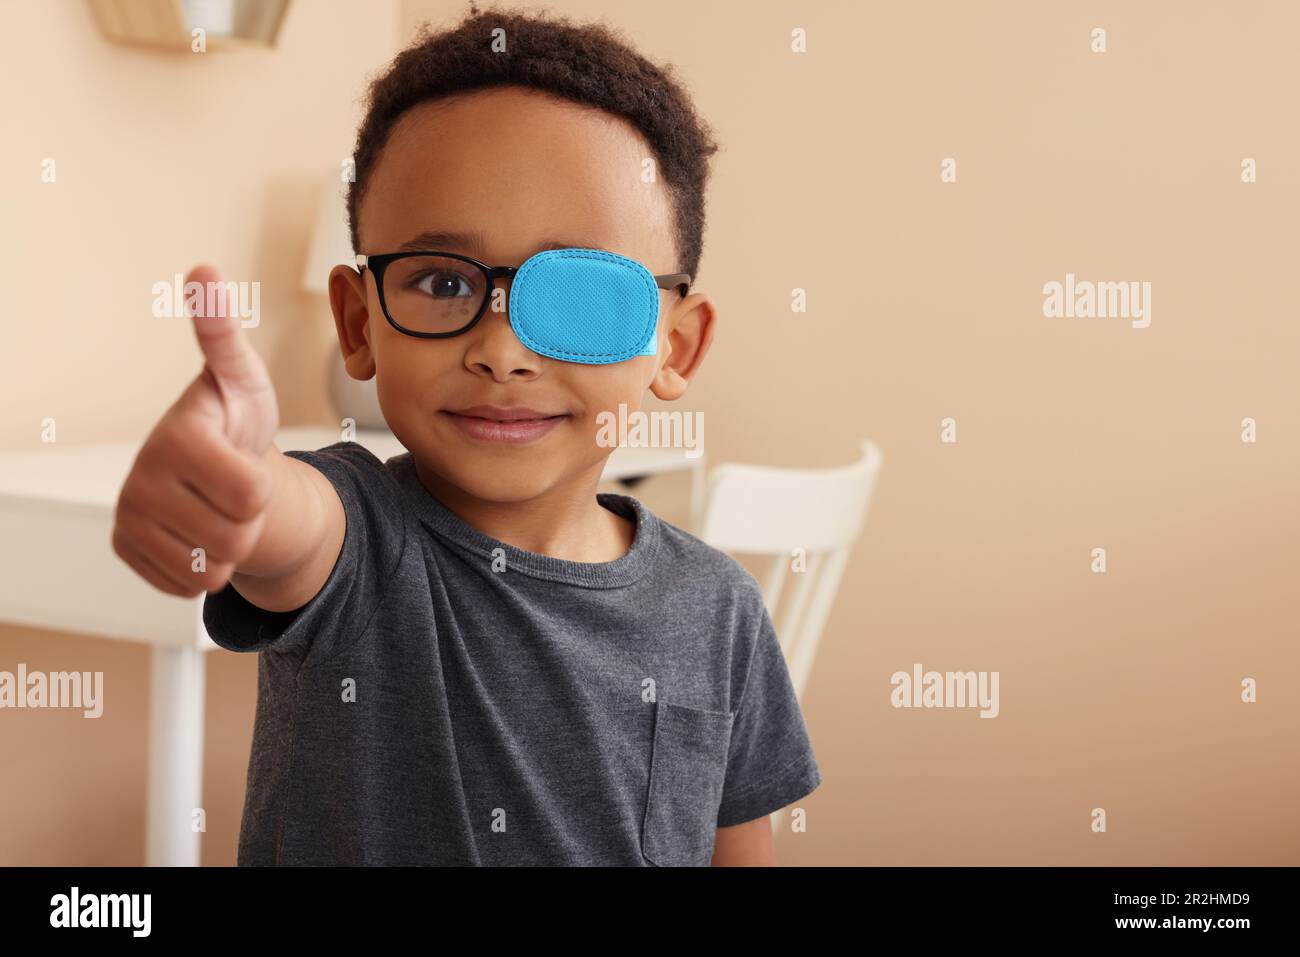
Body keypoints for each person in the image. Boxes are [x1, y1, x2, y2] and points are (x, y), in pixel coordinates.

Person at [112, 3, 820, 866]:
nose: (501, 350)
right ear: (358, 321)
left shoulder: (722, 612)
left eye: (581, 295)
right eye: (444, 282)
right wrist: (237, 483)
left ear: (673, 346)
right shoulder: (360, 540)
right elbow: (289, 522)